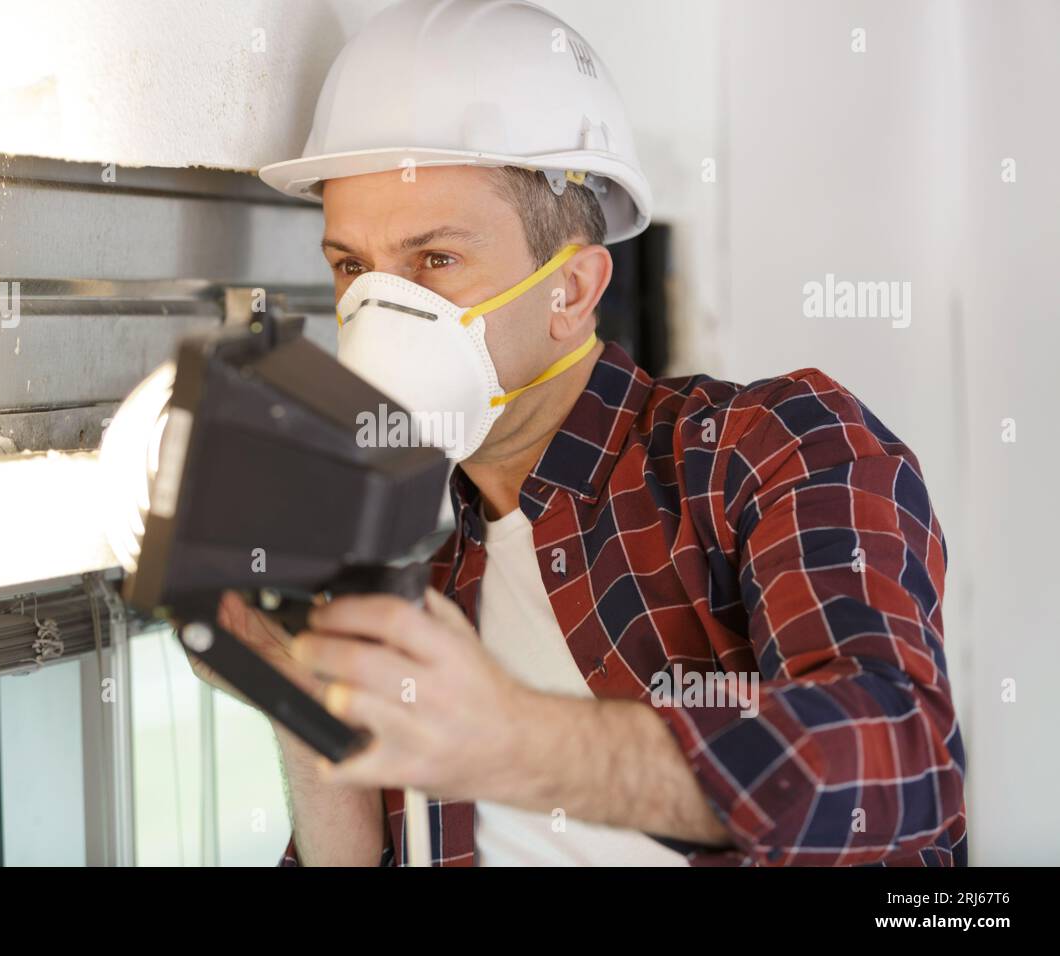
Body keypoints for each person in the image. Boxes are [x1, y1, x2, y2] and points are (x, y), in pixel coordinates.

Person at [193, 0, 967, 866]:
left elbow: (897, 765)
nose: (378, 309)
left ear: (571, 291)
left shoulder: (764, 450)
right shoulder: (417, 582)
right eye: (352, 268)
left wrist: (518, 740)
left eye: (435, 260)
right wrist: (301, 702)